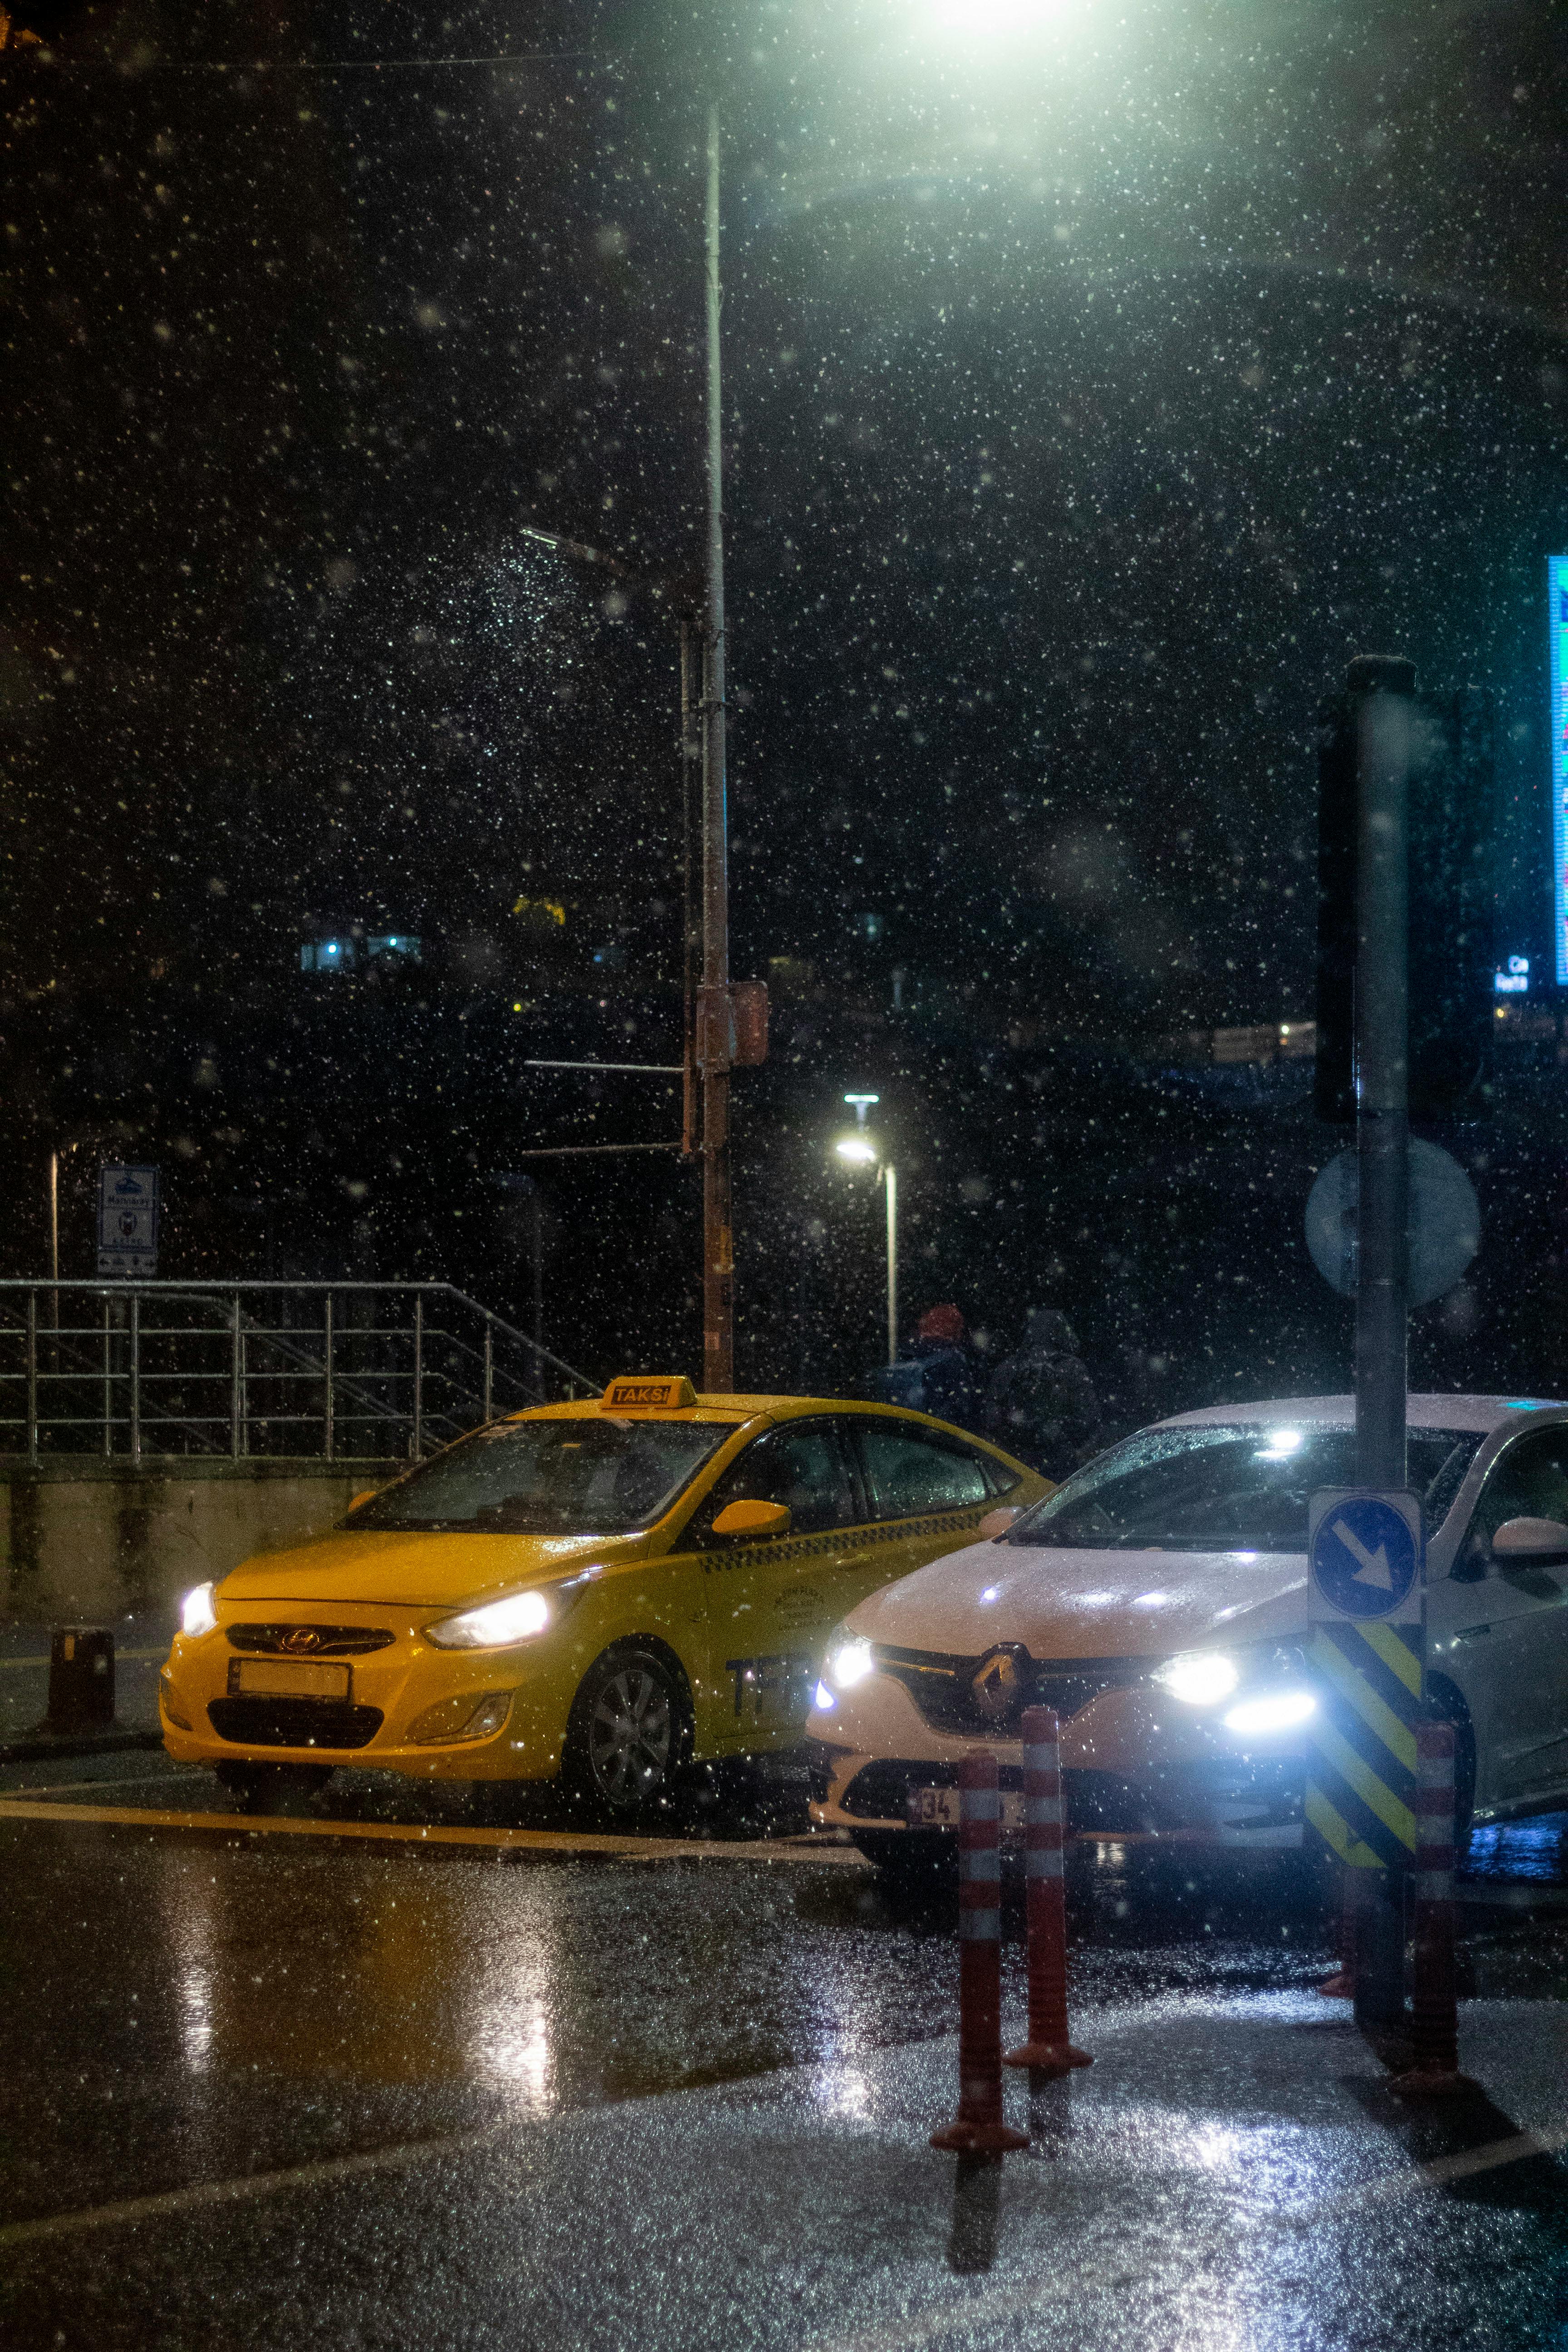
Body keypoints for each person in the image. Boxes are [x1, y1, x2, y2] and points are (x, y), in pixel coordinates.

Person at [985, 1308, 1102, 1479]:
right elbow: (1089, 1416)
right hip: (1060, 1461)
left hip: (1016, 1463)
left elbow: (992, 1418)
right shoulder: (1072, 1367)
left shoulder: (1010, 1367)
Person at [907, 1303, 982, 1431]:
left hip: (909, 1430)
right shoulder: (955, 1359)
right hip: (939, 1434)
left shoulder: (912, 1353)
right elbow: (961, 1404)